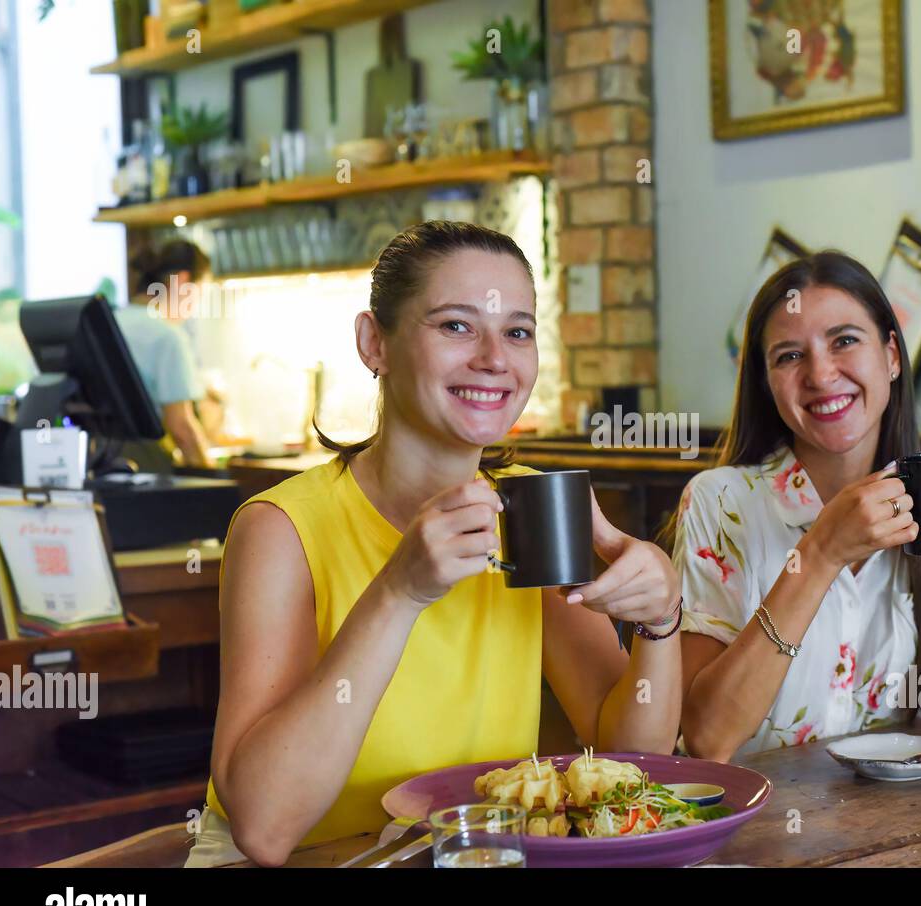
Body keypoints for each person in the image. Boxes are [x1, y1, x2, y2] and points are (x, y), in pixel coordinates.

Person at [188, 222, 683, 867]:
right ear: (375, 343)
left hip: (462, 855)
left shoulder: (530, 508)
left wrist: (661, 621)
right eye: (456, 325)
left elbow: (626, 761)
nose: (494, 358)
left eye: (518, 332)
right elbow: (265, 827)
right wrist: (400, 591)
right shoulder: (280, 527)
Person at [672, 251, 921, 762]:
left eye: (844, 341)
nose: (822, 375)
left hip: (887, 824)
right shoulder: (721, 501)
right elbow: (706, 738)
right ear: (767, 383)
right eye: (789, 355)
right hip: (748, 826)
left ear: (892, 356)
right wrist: (822, 552)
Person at [114, 240, 215, 468]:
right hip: (147, 469)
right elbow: (181, 428)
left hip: (105, 468)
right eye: (199, 294)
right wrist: (213, 478)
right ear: (182, 282)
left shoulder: (111, 323)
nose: (194, 308)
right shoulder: (167, 336)